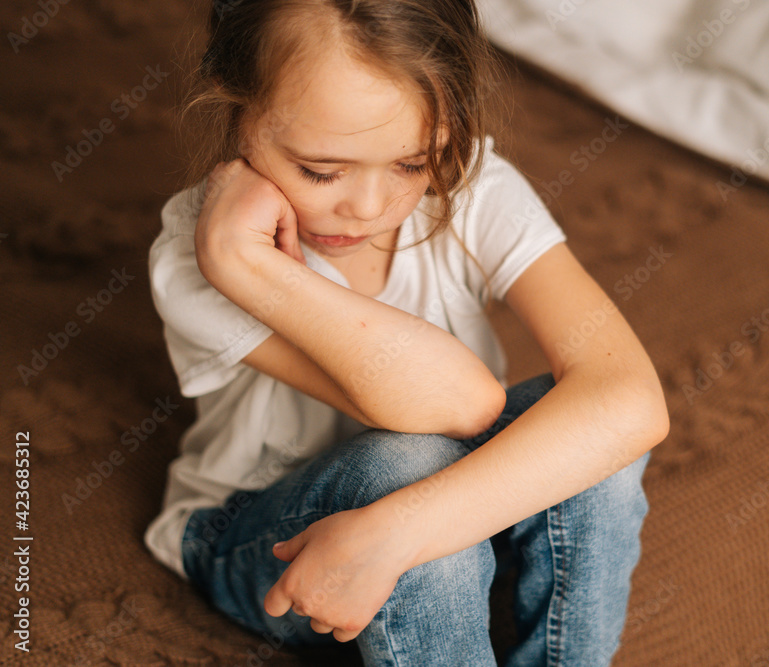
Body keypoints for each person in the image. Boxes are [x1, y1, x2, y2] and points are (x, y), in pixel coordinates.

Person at [144, 0, 670, 664]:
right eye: (321, 171)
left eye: (412, 163)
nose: (367, 207)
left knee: (600, 436)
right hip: (260, 545)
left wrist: (393, 533)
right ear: (236, 106)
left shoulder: (475, 189)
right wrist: (246, 265)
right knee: (407, 465)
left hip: (439, 515)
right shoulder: (201, 254)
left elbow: (631, 399)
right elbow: (456, 406)